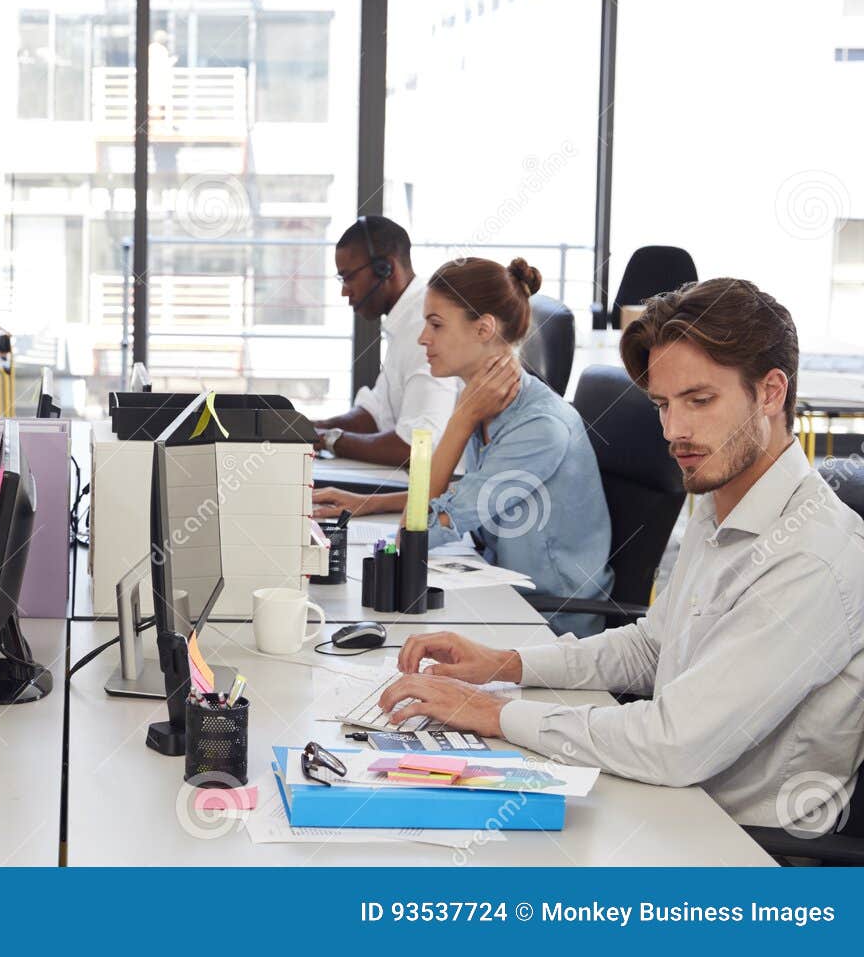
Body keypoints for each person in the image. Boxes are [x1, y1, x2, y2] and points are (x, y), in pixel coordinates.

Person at [374, 278, 864, 837]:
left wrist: (491, 712)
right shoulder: (720, 502)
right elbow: (654, 648)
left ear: (771, 393)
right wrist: (506, 665)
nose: (674, 431)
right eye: (663, 405)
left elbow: (675, 744)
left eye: (700, 400)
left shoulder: (812, 558)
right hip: (658, 798)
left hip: (732, 845)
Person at [313, 256, 611, 633]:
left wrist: (460, 421)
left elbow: (413, 537)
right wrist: (369, 502)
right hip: (504, 593)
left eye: (436, 324)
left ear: (483, 328)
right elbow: (463, 494)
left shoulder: (538, 427)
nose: (423, 338)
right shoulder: (488, 403)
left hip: (550, 621)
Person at [313, 217, 458, 466]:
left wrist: (329, 440)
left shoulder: (423, 326)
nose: (345, 291)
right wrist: (315, 428)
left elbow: (418, 446)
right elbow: (377, 414)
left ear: (385, 269)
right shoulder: (405, 321)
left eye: (348, 277)